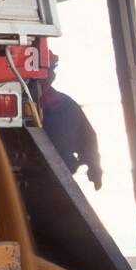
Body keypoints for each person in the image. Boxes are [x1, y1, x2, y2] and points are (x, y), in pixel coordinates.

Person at [40, 56, 103, 190]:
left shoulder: (63, 104)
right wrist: (94, 168)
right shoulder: (64, 104)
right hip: (56, 175)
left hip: (54, 176)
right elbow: (87, 138)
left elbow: (87, 138)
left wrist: (94, 168)